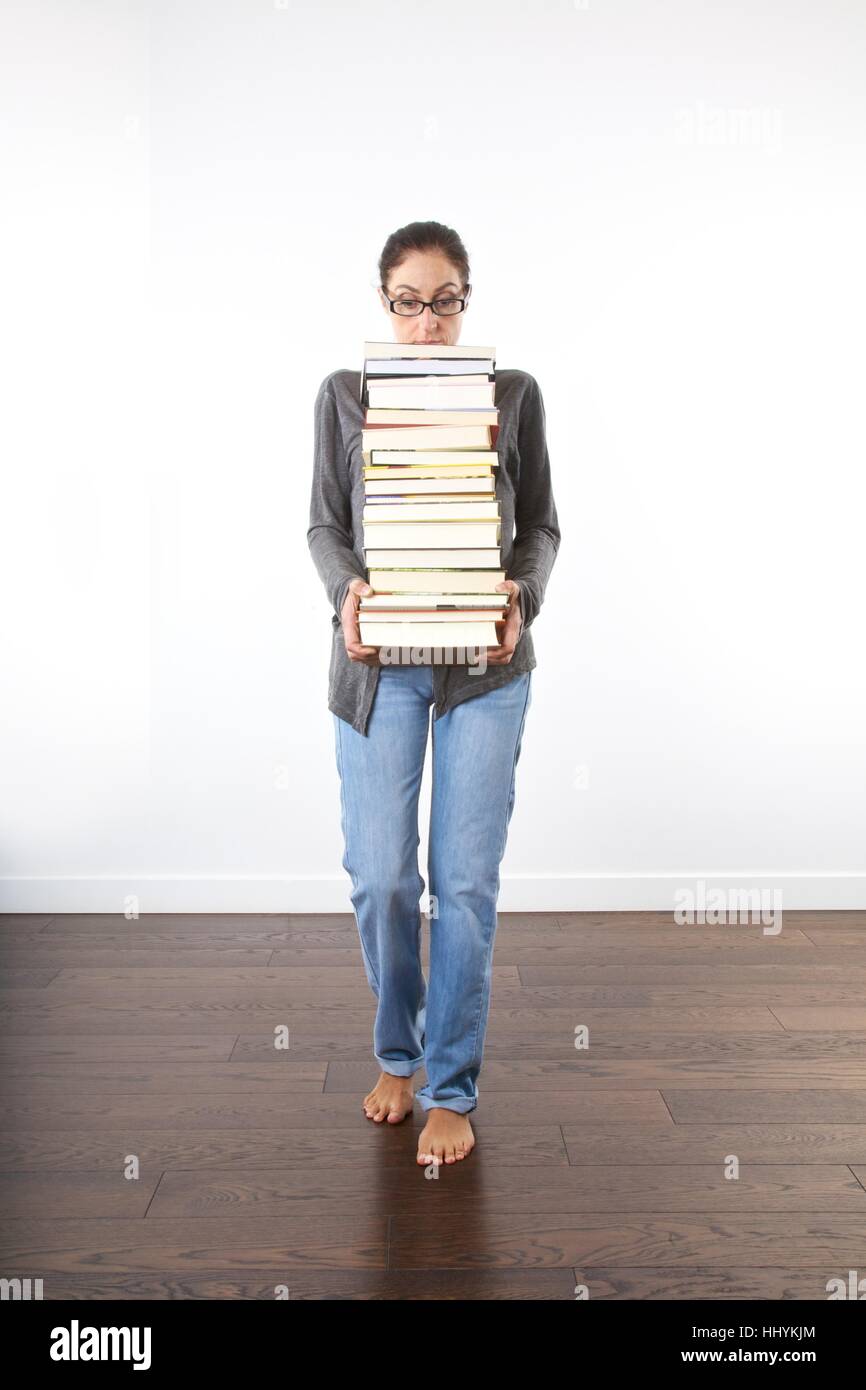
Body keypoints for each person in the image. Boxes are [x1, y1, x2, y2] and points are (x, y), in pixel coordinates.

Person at [307, 220, 561, 1165]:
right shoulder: (343, 397)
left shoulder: (515, 395)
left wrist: (521, 597)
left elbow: (539, 527)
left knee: (463, 884)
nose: (426, 322)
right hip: (378, 670)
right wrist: (348, 592)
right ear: (385, 304)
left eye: (444, 300)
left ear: (466, 302)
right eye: (408, 302)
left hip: (483, 673)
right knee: (381, 878)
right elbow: (324, 528)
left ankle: (450, 1086)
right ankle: (396, 1054)